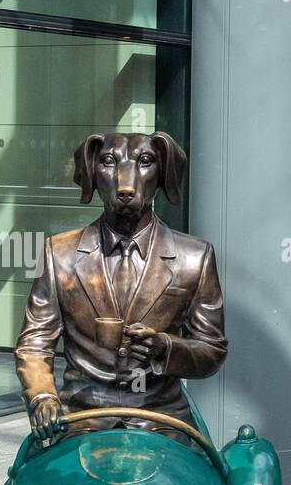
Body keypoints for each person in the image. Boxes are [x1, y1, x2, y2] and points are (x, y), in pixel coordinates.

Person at [14, 131, 227, 441]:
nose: (125, 183)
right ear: (91, 175)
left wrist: (165, 348)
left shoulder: (195, 258)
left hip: (161, 417)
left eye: (145, 162)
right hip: (82, 415)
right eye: (108, 163)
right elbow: (35, 341)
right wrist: (42, 396)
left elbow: (212, 350)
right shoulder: (57, 254)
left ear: (164, 174)